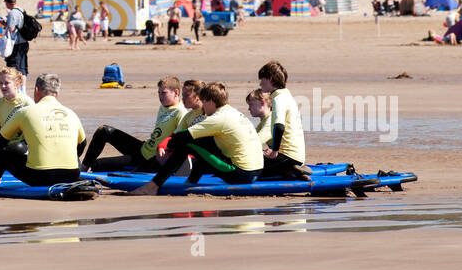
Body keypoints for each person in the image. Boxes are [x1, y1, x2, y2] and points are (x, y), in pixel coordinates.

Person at [124, 82, 264, 195]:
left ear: (210, 101)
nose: (202, 105)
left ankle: (153, 186)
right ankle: (191, 181)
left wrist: (169, 148)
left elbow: (182, 137)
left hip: (242, 175)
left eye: (204, 101)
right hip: (256, 171)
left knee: (188, 144)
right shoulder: (232, 112)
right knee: (203, 143)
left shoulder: (218, 118)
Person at [0, 73, 85, 197]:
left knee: (4, 153)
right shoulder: (72, 113)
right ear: (57, 92)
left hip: (41, 177)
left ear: (36, 90)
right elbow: (82, 144)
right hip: (72, 175)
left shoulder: (25, 112)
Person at [81, 76, 185, 172]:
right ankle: (83, 169)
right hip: (142, 148)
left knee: (97, 165)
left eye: (164, 93)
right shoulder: (164, 106)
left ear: (176, 92)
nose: (160, 97)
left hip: (150, 159)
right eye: (159, 93)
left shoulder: (181, 113)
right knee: (104, 131)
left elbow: (180, 140)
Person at [254, 60, 307, 176]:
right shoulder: (287, 95)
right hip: (296, 156)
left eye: (262, 80)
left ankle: (289, 171)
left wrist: (274, 151)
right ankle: (289, 170)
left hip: (288, 157)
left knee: (251, 167)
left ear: (270, 79)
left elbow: (279, 126)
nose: (260, 84)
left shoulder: (278, 99)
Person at [3, 0, 28, 77]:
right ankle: (22, 88)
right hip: (24, 41)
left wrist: (4, 24)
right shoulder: (21, 10)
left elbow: (11, 29)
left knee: (13, 67)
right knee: (23, 67)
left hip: (16, 43)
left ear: (7, 3)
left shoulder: (12, 13)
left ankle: (16, 87)